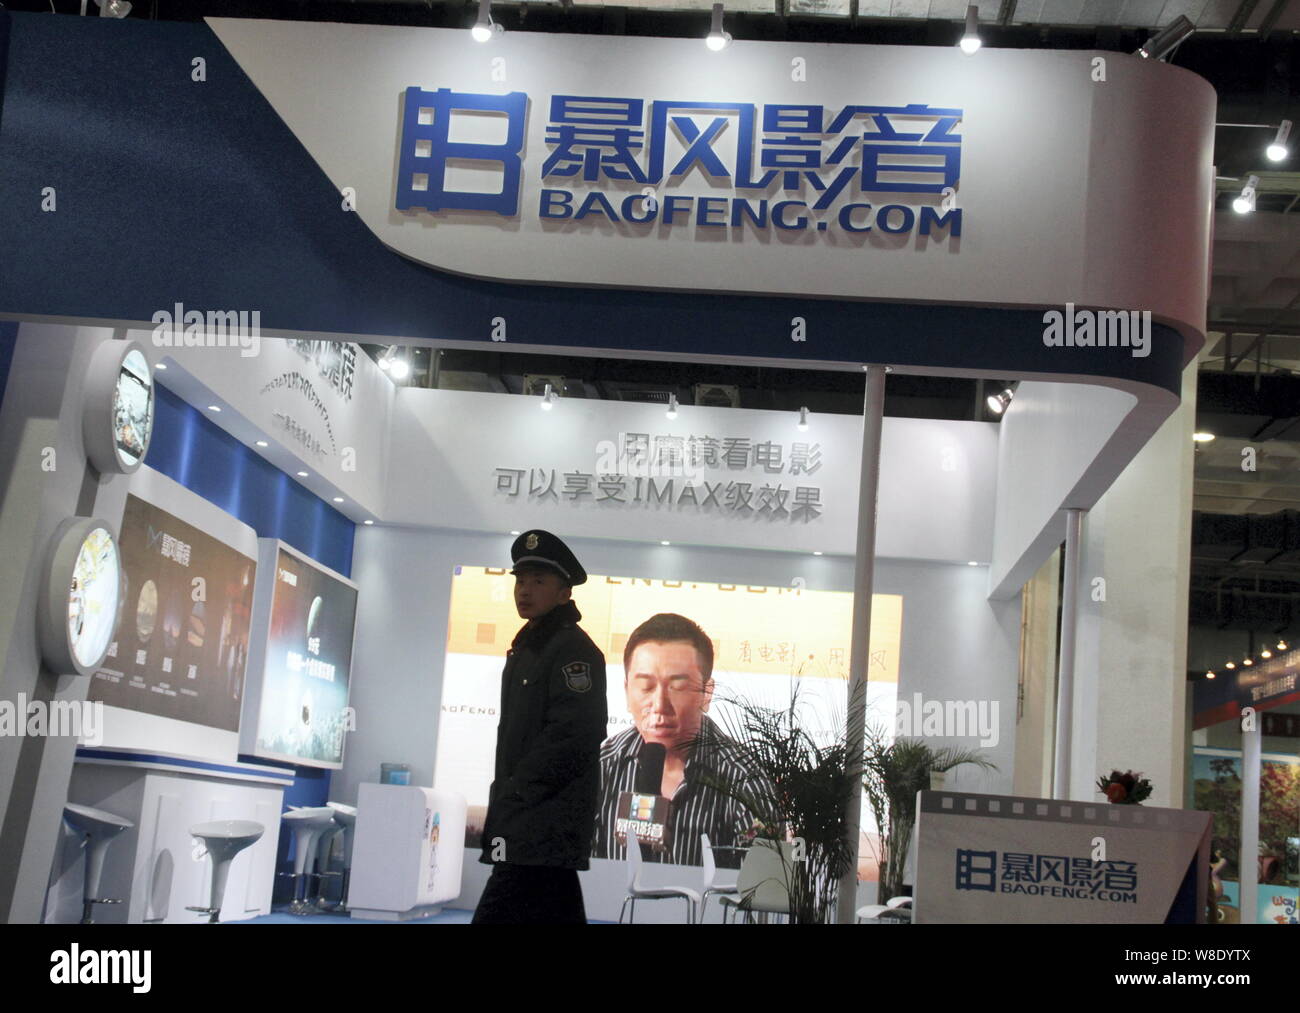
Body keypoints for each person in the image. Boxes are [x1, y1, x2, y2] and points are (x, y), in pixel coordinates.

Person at [472, 529, 608, 924]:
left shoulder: (573, 651)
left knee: (501, 908)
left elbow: (576, 734)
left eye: (538, 581)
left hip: (543, 816)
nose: (524, 590)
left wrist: (517, 791)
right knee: (554, 905)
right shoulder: (529, 647)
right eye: (520, 580)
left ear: (565, 593)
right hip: (529, 818)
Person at [592, 612, 767, 867]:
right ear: (627, 691)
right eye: (646, 686)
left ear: (706, 693)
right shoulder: (601, 767)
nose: (659, 705)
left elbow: (765, 887)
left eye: (677, 686)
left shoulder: (744, 780)